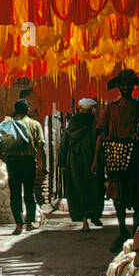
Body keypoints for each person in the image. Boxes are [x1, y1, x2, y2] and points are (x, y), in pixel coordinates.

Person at [94, 69, 139, 252]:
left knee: (138, 198)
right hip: (116, 158)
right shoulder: (110, 108)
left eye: (129, 84)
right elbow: (101, 134)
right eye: (123, 84)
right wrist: (96, 159)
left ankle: (137, 232)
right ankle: (122, 231)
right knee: (118, 197)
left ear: (133, 86)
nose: (126, 87)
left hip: (138, 159)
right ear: (118, 87)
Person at [0, 99, 45, 235]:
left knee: (15, 194)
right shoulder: (34, 124)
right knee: (29, 193)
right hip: (28, 162)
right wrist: (42, 163)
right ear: (28, 110)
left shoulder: (7, 124)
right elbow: (40, 146)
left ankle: (19, 224)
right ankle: (30, 222)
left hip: (13, 162)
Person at [59, 98, 104, 230]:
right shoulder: (95, 123)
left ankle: (84, 219)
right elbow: (100, 143)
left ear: (79, 109)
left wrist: (61, 162)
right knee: (94, 187)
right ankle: (94, 215)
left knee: (78, 187)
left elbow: (63, 143)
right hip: (91, 159)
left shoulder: (71, 123)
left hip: (73, 160)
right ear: (91, 110)